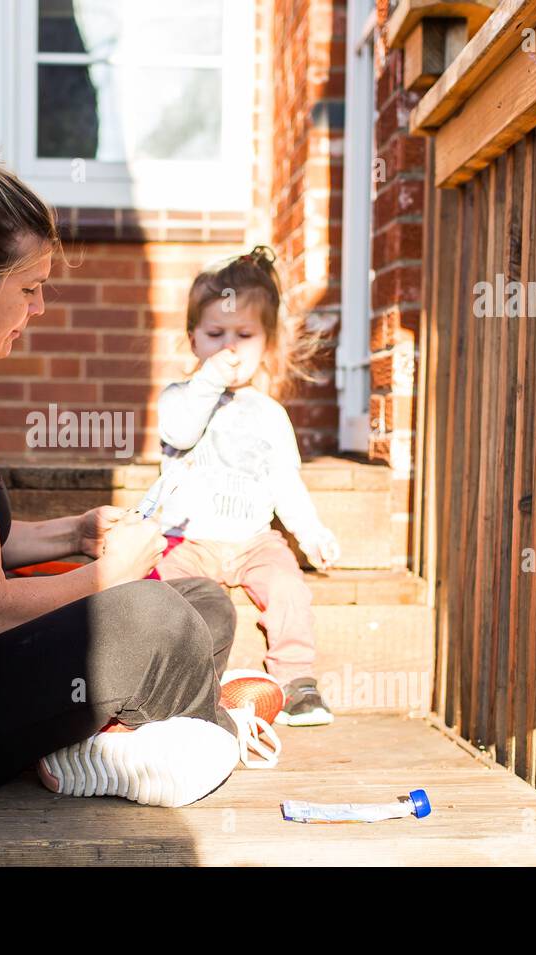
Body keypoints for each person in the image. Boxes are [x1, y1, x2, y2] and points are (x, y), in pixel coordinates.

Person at [0, 108, 274, 808]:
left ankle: (107, 743)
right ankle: (193, 733)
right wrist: (110, 574)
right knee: (156, 617)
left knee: (201, 605)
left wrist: (70, 534)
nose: (39, 307)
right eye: (30, 287)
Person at [148, 245, 341, 727]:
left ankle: (298, 682)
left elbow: (284, 481)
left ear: (266, 343)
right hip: (189, 537)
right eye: (215, 334)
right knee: (166, 589)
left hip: (254, 539)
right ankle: (180, 679)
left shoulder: (270, 414)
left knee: (288, 588)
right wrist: (209, 382)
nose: (229, 348)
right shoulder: (179, 398)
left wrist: (310, 529)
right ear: (193, 340)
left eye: (244, 335)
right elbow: (181, 433)